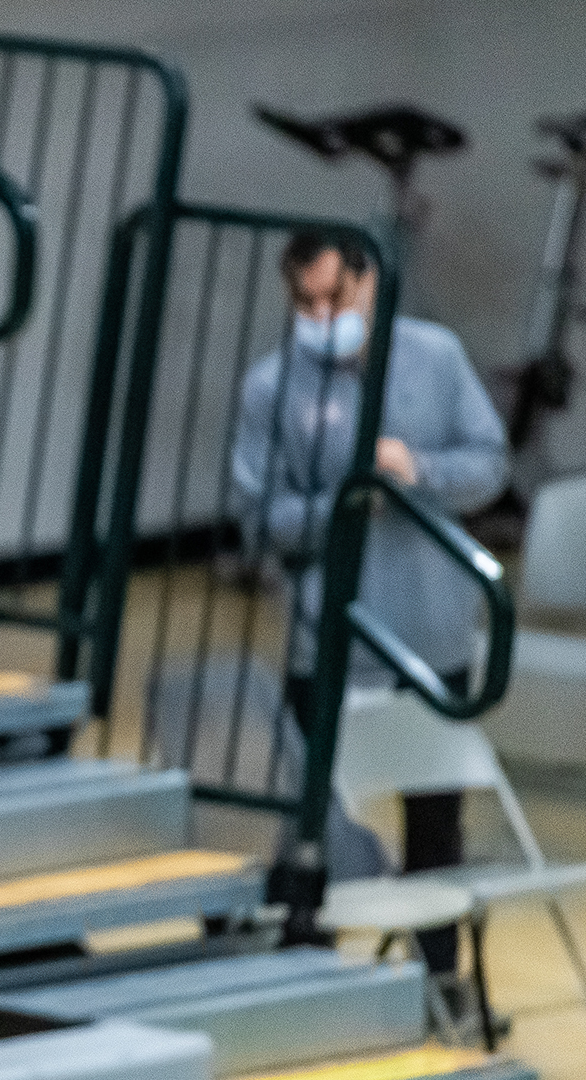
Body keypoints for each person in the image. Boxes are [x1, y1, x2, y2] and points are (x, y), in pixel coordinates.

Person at [233, 229, 509, 991]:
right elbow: (258, 518)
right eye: (305, 300)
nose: (321, 313)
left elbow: (489, 466)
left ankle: (442, 982)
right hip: (325, 638)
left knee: (435, 823)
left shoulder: (437, 358)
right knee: (308, 814)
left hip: (430, 631)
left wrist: (417, 471)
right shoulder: (271, 386)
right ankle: (304, 971)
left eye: (336, 297)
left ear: (370, 286)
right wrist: (348, 500)